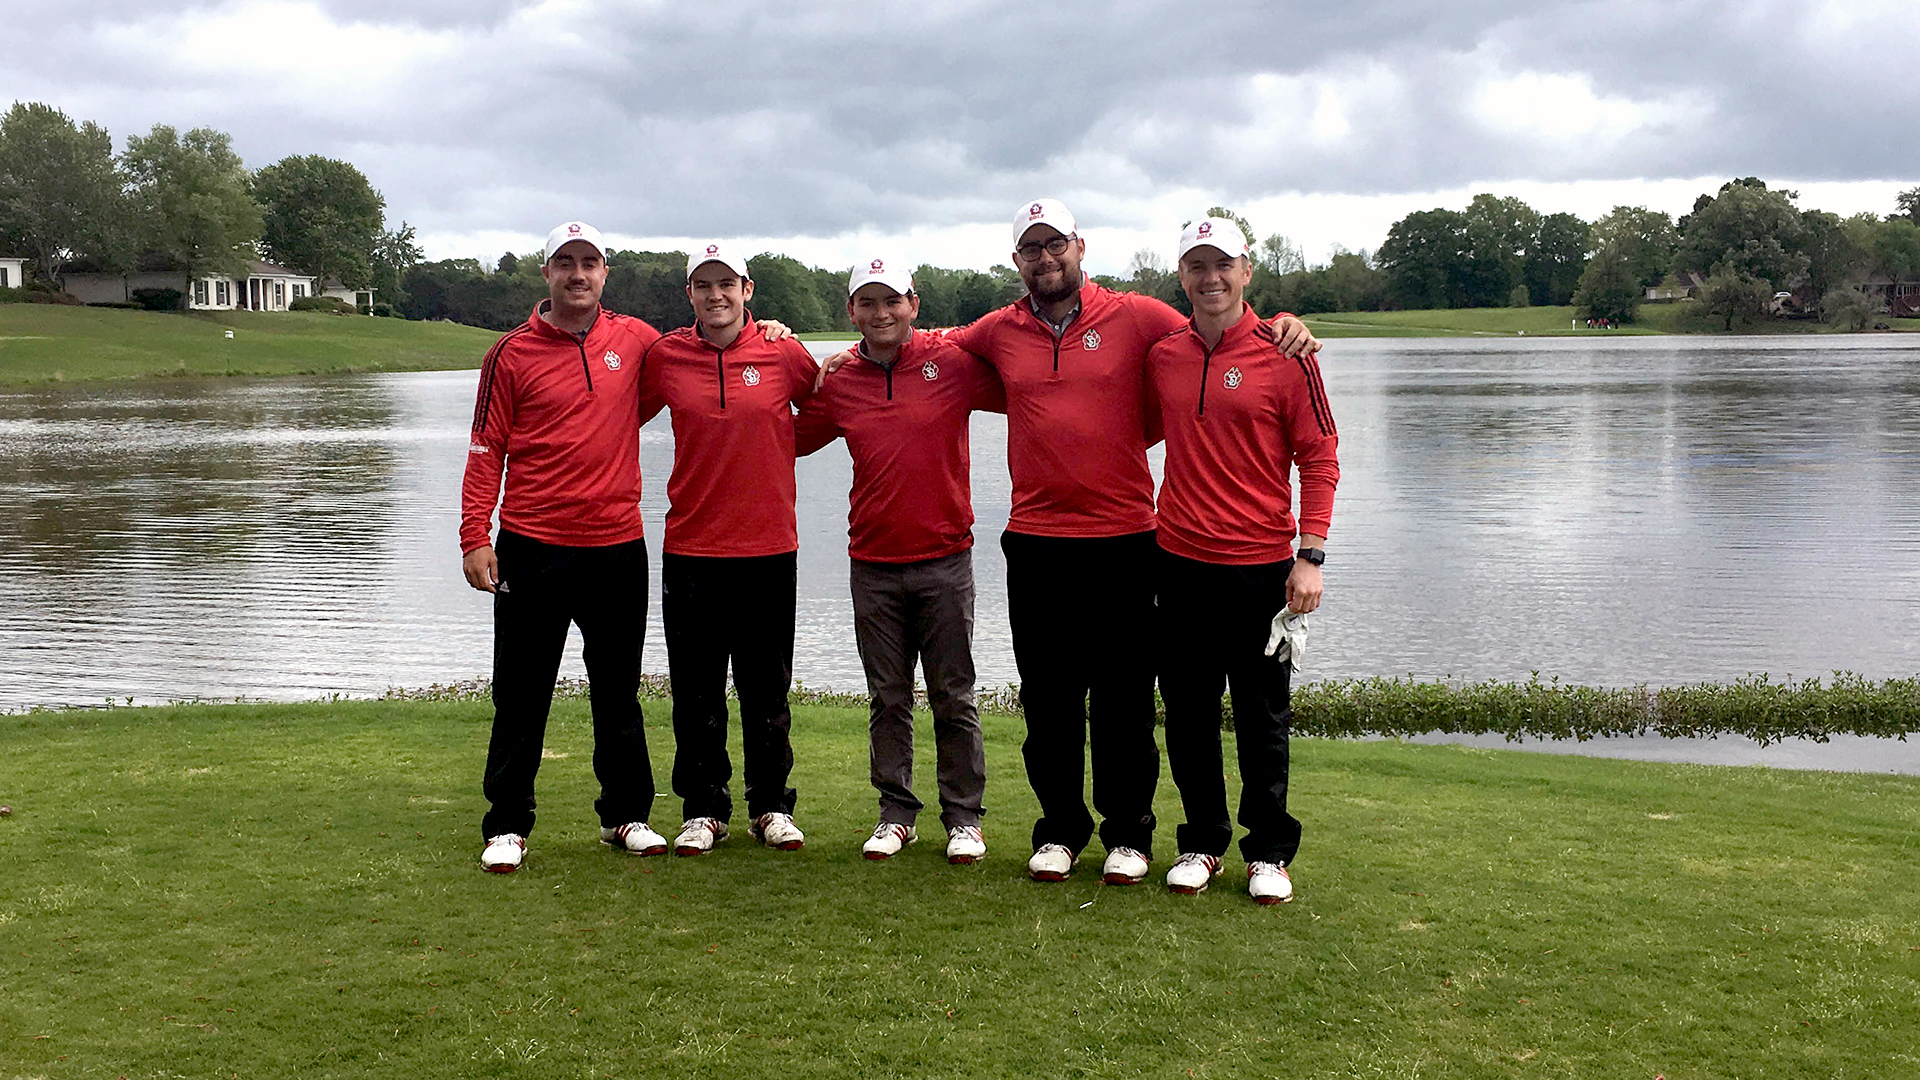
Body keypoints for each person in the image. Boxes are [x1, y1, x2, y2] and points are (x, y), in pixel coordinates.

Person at [943, 198, 1321, 885]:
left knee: (1125, 700)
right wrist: (836, 345)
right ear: (1018, 261)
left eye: (1055, 243)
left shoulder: (1140, 318)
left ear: (1079, 246)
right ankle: (1061, 830)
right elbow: (928, 347)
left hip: (1129, 540)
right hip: (1036, 542)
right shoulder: (998, 331)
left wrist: (1286, 325)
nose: (1046, 257)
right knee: (1051, 701)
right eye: (1032, 248)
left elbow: (1224, 330)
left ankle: (1131, 835)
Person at [460, 221, 665, 874]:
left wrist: (768, 331)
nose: (579, 274)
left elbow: (695, 367)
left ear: (606, 272)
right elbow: (485, 448)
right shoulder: (509, 353)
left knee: (617, 689)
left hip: (616, 547)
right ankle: (507, 824)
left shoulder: (636, 341)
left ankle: (626, 814)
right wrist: (474, 537)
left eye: (591, 262)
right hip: (530, 547)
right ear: (545, 273)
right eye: (565, 263)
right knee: (521, 691)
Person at [1148, 217, 1339, 905]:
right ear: (1182, 276)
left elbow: (1320, 458)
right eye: (1197, 265)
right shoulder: (1164, 353)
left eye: (1223, 264)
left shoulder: (1287, 352)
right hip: (1179, 563)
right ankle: (1202, 842)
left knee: (1262, 717)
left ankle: (1269, 852)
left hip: (1262, 568)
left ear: (1247, 270)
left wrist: (1310, 556)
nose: (1211, 278)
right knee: (1190, 714)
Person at [794, 256, 1006, 864]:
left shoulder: (954, 365)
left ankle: (964, 817)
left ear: (914, 305)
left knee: (954, 695)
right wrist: (795, 362)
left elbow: (1031, 387)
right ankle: (896, 814)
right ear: (851, 313)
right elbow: (783, 437)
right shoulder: (839, 381)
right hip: (873, 564)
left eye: (893, 301)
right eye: (868, 303)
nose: (881, 313)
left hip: (946, 559)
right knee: (887, 697)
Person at [639, 242, 821, 857]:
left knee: (766, 688)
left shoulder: (781, 351)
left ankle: (770, 804)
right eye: (703, 285)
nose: (716, 295)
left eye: (727, 284)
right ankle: (702, 807)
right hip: (691, 548)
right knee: (695, 688)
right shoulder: (665, 356)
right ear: (689, 294)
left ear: (748, 289)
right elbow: (612, 416)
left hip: (769, 547)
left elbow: (829, 404)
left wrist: (778, 447)